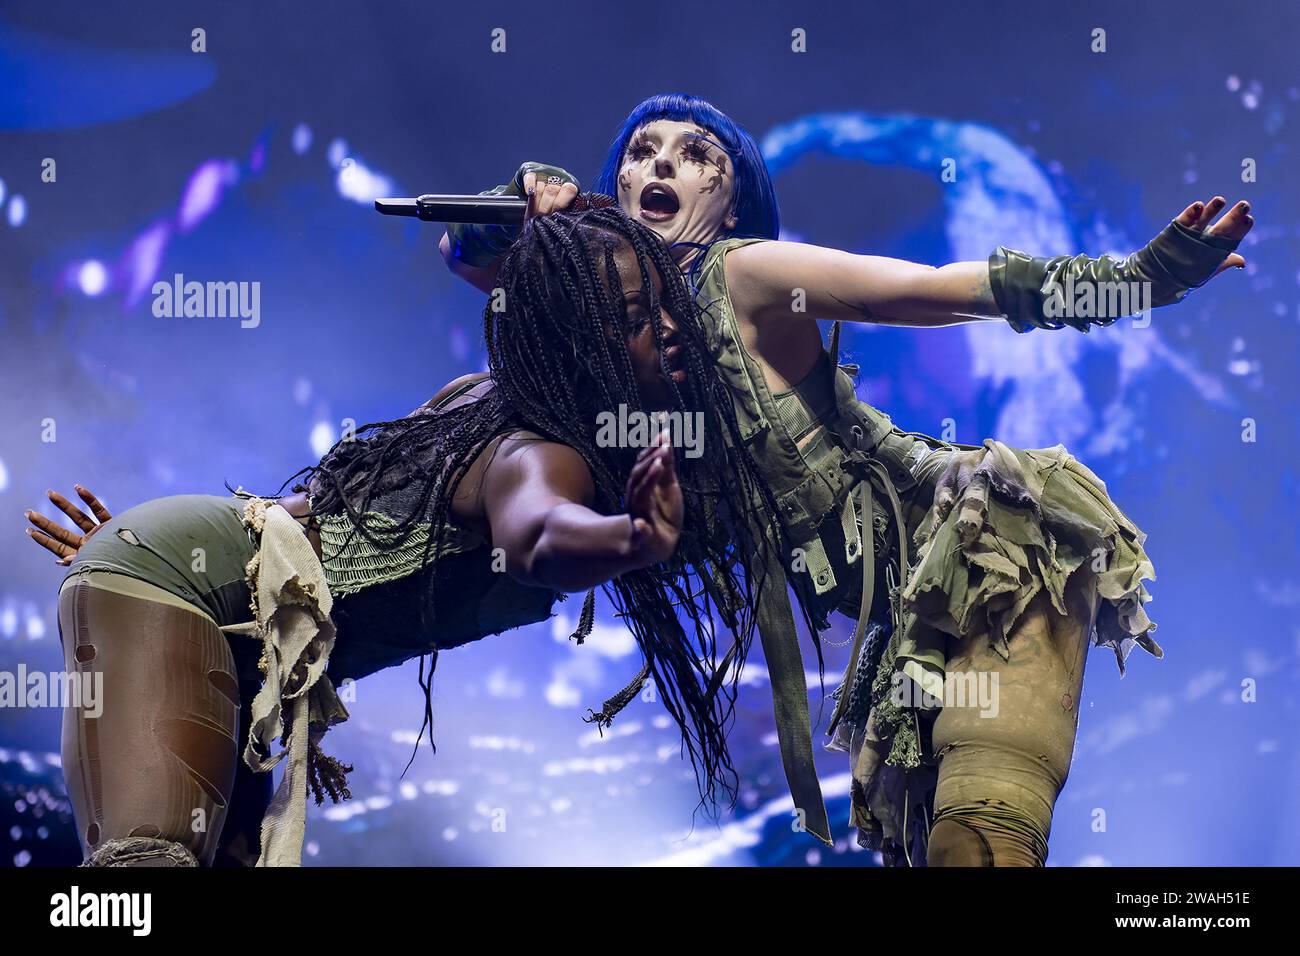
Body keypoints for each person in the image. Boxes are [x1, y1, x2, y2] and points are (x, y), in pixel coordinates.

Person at [439, 92, 1252, 864]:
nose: (660, 165)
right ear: (615, 188)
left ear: (731, 204)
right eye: (642, 152)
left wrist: (1145, 279)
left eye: (694, 155)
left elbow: (934, 292)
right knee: (932, 844)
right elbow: (464, 256)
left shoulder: (745, 273)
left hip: (976, 543)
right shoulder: (600, 303)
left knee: (982, 842)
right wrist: (521, 196)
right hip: (886, 611)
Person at [26, 205, 800, 866]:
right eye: (635, 319)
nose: (669, 329)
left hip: (210, 606)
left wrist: (138, 568)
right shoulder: (535, 452)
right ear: (576, 346)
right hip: (186, 588)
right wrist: (631, 540)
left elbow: (320, 511)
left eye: (668, 306)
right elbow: (537, 538)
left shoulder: (484, 401)